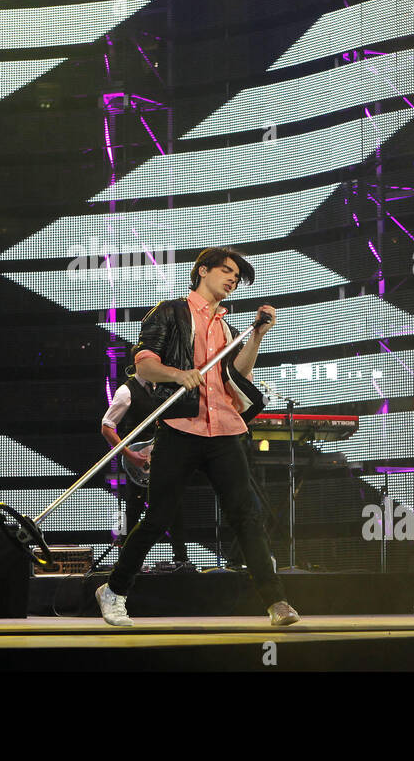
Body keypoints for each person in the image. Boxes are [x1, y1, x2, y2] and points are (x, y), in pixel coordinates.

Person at [95, 247, 299, 627]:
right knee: (158, 518)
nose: (232, 279)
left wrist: (256, 336)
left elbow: (238, 375)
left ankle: (276, 602)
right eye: (227, 271)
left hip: (225, 430)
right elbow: (144, 364)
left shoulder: (227, 328)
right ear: (202, 271)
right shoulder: (170, 312)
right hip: (180, 428)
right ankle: (114, 590)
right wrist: (177, 375)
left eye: (237, 277)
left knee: (246, 515)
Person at [101, 375, 192, 569]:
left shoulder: (163, 386)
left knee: (174, 506)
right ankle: (126, 562)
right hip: (139, 462)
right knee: (134, 508)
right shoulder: (126, 391)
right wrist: (129, 454)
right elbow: (107, 427)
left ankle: (182, 560)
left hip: (163, 456)